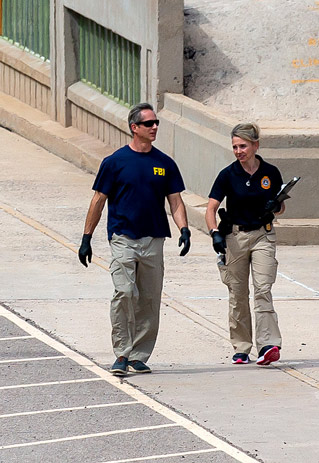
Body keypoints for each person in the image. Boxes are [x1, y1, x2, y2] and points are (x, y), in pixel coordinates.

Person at [78, 102, 190, 376]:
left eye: (156, 123)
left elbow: (175, 201)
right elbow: (98, 200)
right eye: (149, 123)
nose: (155, 127)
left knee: (149, 299)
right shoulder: (114, 162)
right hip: (123, 237)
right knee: (124, 293)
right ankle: (121, 353)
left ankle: (139, 355)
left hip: (154, 239)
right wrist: (86, 238)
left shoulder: (165, 163)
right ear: (134, 127)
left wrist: (184, 229)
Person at [206, 122, 286, 365]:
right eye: (235, 147)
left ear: (255, 145)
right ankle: (241, 347)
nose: (238, 151)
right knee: (238, 294)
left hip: (263, 235)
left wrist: (276, 206)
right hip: (235, 237)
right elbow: (211, 208)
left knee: (263, 289)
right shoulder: (228, 174)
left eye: (243, 146)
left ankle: (268, 344)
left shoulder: (270, 173)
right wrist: (214, 233)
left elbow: (281, 207)